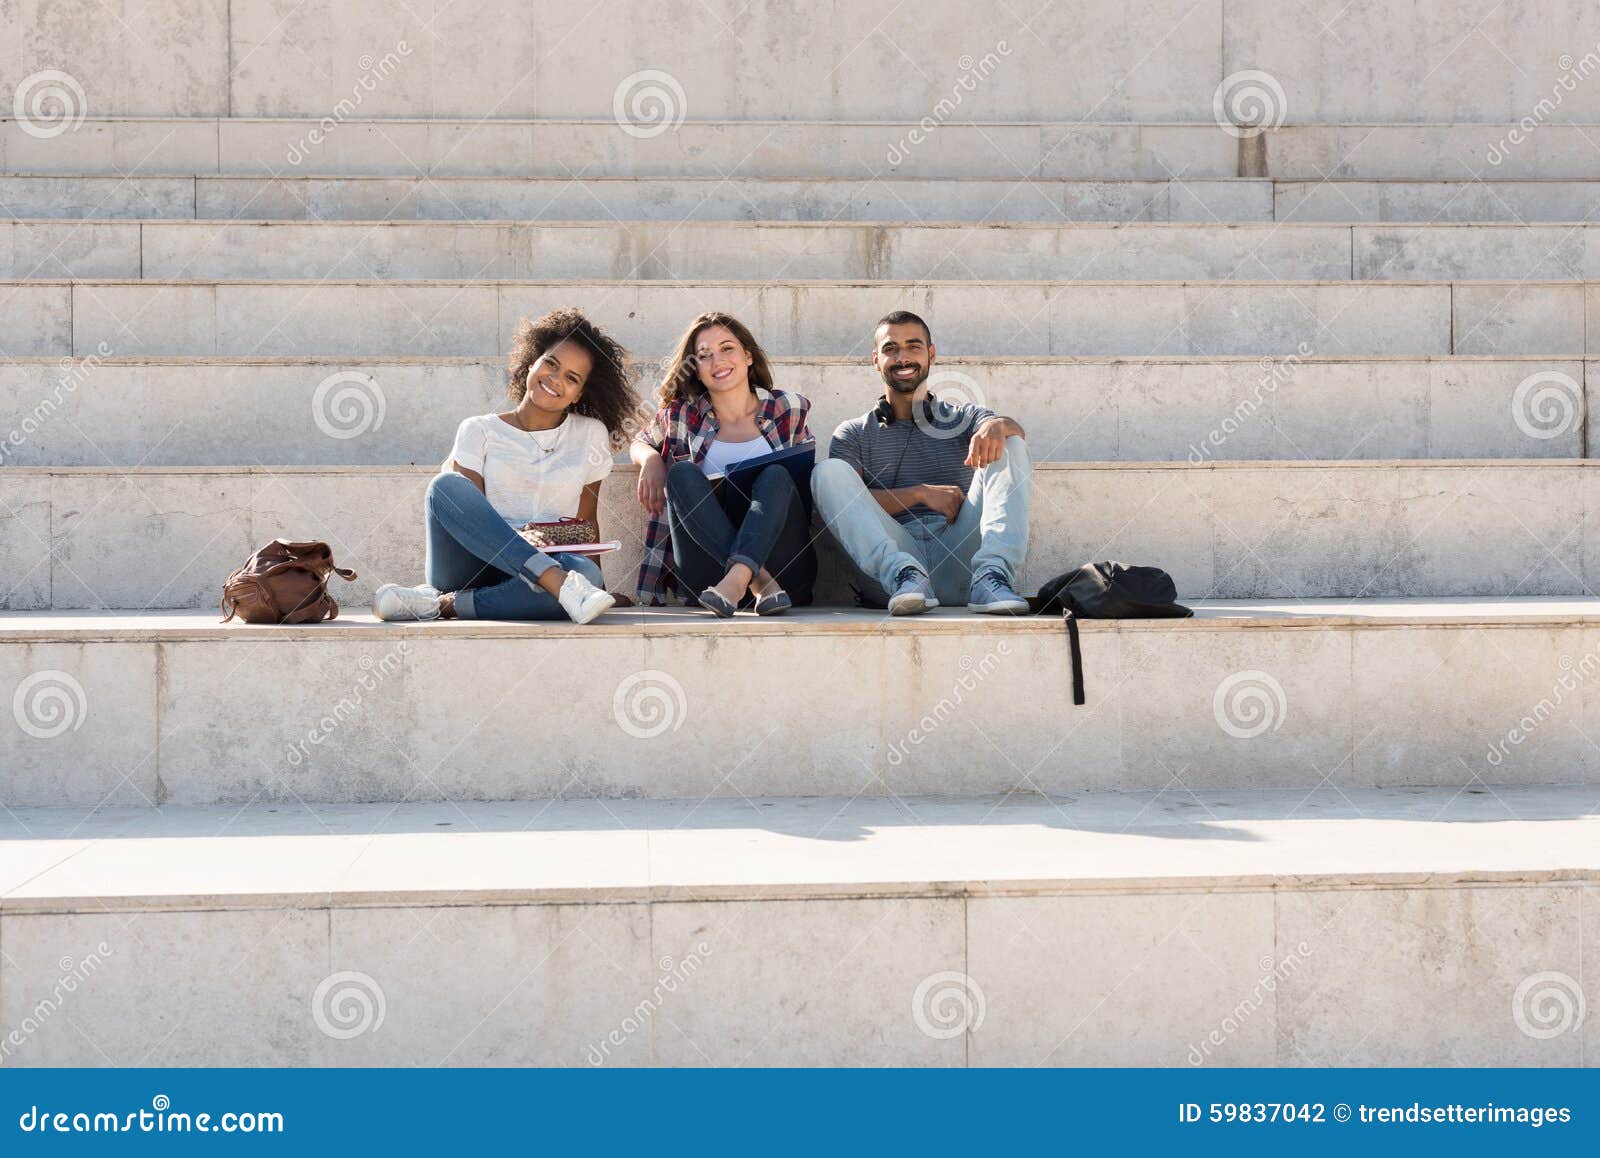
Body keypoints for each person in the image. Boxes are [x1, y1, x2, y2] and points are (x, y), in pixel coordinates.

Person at [372, 307, 638, 624]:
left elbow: (586, 520)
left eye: (571, 378)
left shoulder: (589, 435)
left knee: (585, 575)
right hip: (471, 565)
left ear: (579, 393)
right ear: (532, 362)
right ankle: (553, 582)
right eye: (551, 363)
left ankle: (442, 605)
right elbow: (469, 519)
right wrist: (518, 539)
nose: (555, 379)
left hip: (545, 565)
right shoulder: (479, 429)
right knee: (445, 487)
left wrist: (596, 589)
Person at [811, 310, 1031, 615]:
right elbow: (847, 504)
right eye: (891, 349)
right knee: (827, 472)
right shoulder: (852, 433)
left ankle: (992, 576)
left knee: (1010, 442)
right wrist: (919, 494)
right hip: (895, 574)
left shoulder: (964, 417)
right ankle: (906, 575)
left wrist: (997, 424)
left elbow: (1014, 432)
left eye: (913, 346)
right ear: (875, 359)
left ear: (931, 354)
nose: (902, 357)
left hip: (960, 559)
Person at [630, 311, 817, 614]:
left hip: (785, 572)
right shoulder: (681, 416)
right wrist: (650, 458)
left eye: (727, 348)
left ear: (748, 356)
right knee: (681, 473)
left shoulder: (788, 409)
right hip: (709, 583)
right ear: (696, 370)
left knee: (777, 475)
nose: (717, 361)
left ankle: (743, 577)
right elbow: (639, 440)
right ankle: (756, 580)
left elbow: (801, 494)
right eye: (704, 355)